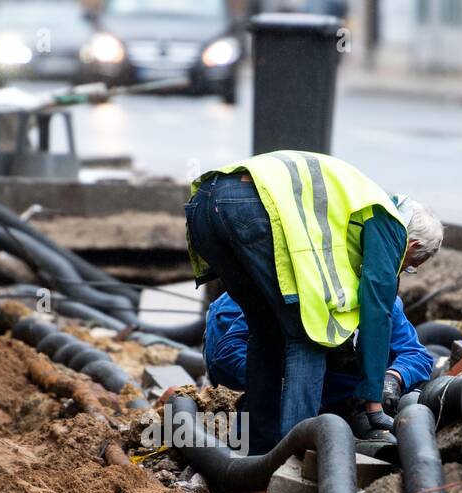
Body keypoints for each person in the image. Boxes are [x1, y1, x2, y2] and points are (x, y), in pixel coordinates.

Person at [186, 150, 444, 454]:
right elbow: (378, 307)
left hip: (206, 202)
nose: (401, 270)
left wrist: (389, 379)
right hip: (248, 207)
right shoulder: (388, 223)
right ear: (410, 245)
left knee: (266, 332)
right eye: (409, 264)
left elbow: (410, 346)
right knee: (308, 337)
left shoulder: (336, 246)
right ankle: (293, 459)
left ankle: (258, 456)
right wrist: (373, 400)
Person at [203, 291, 434, 434]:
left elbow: (418, 356)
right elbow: (227, 350)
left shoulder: (382, 302)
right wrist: (280, 386)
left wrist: (394, 377)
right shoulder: (298, 292)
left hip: (329, 378)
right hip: (236, 326)